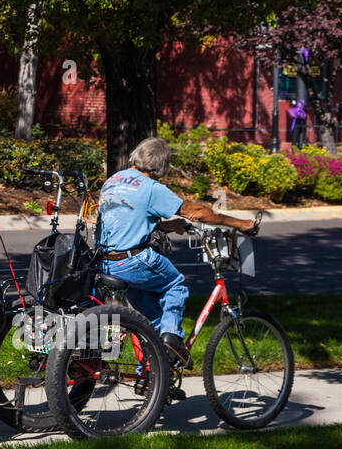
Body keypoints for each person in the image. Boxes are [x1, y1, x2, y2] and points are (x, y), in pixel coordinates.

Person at [97, 136, 260, 367]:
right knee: (176, 285)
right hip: (135, 261)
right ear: (161, 165)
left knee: (152, 319)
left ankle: (155, 372)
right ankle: (173, 338)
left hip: (108, 263)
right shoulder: (152, 188)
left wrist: (166, 226)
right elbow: (197, 212)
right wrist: (240, 224)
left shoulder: (114, 180)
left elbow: (125, 221)